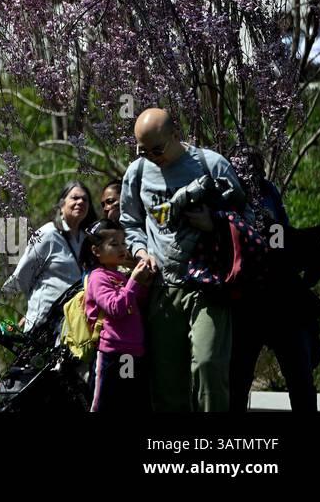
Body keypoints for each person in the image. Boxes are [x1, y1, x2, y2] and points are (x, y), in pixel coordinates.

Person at [120, 107, 245, 412]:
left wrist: (213, 223)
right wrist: (140, 251)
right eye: (142, 150)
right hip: (163, 287)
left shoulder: (211, 164)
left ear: (176, 134)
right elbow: (130, 220)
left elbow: (246, 218)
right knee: (167, 379)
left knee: (207, 365)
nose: (150, 156)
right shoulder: (136, 172)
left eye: (157, 149)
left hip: (207, 284)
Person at [228, 147, 320, 412]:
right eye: (244, 169)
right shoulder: (228, 201)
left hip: (282, 303)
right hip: (246, 303)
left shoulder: (269, 193)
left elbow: (286, 239)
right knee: (238, 377)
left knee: (299, 375)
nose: (250, 174)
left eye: (256, 167)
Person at [2, 181, 95, 338]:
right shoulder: (47, 234)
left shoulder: (87, 239)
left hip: (76, 324)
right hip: (45, 323)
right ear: (62, 203)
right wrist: (33, 308)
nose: (80, 202)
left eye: (85, 199)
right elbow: (22, 276)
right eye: (75, 198)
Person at [82, 219, 152, 412]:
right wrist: (133, 281)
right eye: (114, 244)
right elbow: (115, 308)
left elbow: (137, 302)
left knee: (127, 402)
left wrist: (143, 281)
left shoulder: (122, 275)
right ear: (96, 251)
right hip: (111, 353)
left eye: (123, 243)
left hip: (130, 353)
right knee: (104, 404)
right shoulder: (98, 277)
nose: (122, 248)